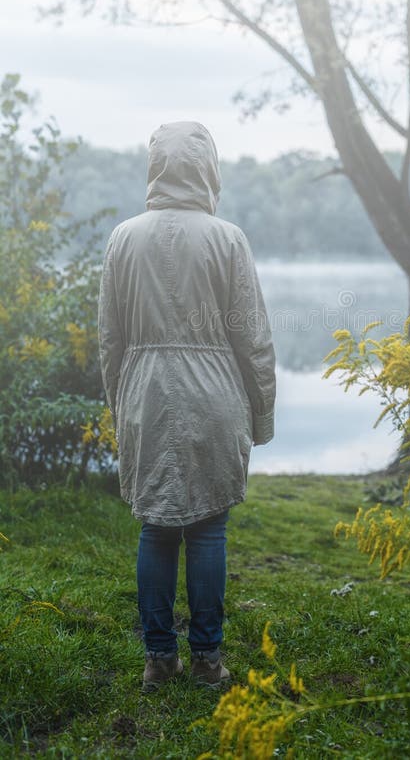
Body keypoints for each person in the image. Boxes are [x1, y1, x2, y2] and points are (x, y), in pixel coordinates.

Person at [98, 120, 276, 693]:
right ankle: (207, 661)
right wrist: (262, 412)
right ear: (208, 167)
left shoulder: (123, 238)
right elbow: (253, 338)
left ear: (155, 166)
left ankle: (157, 659)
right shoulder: (229, 239)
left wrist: (119, 407)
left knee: (155, 528)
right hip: (215, 393)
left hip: (145, 393)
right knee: (207, 530)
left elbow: (110, 339)